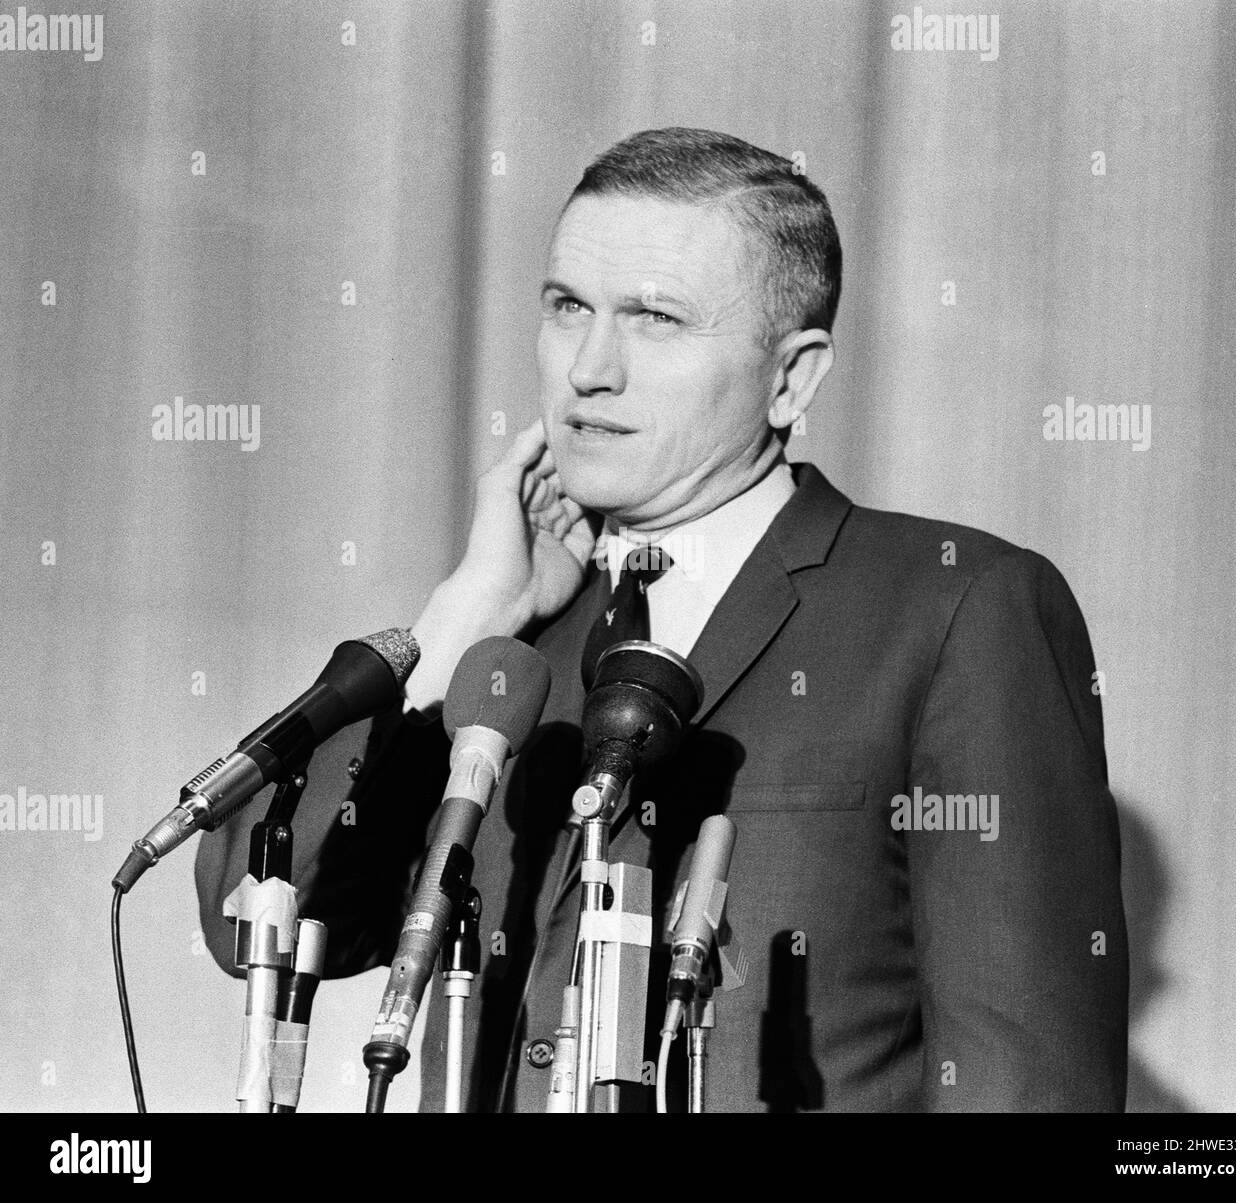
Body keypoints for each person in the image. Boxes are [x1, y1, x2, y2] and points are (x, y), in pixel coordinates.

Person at [195, 127, 1129, 1112]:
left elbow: (1026, 1080)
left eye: (655, 320)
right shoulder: (511, 654)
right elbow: (259, 925)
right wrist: (464, 615)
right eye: (567, 308)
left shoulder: (952, 607)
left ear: (792, 378)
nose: (589, 369)